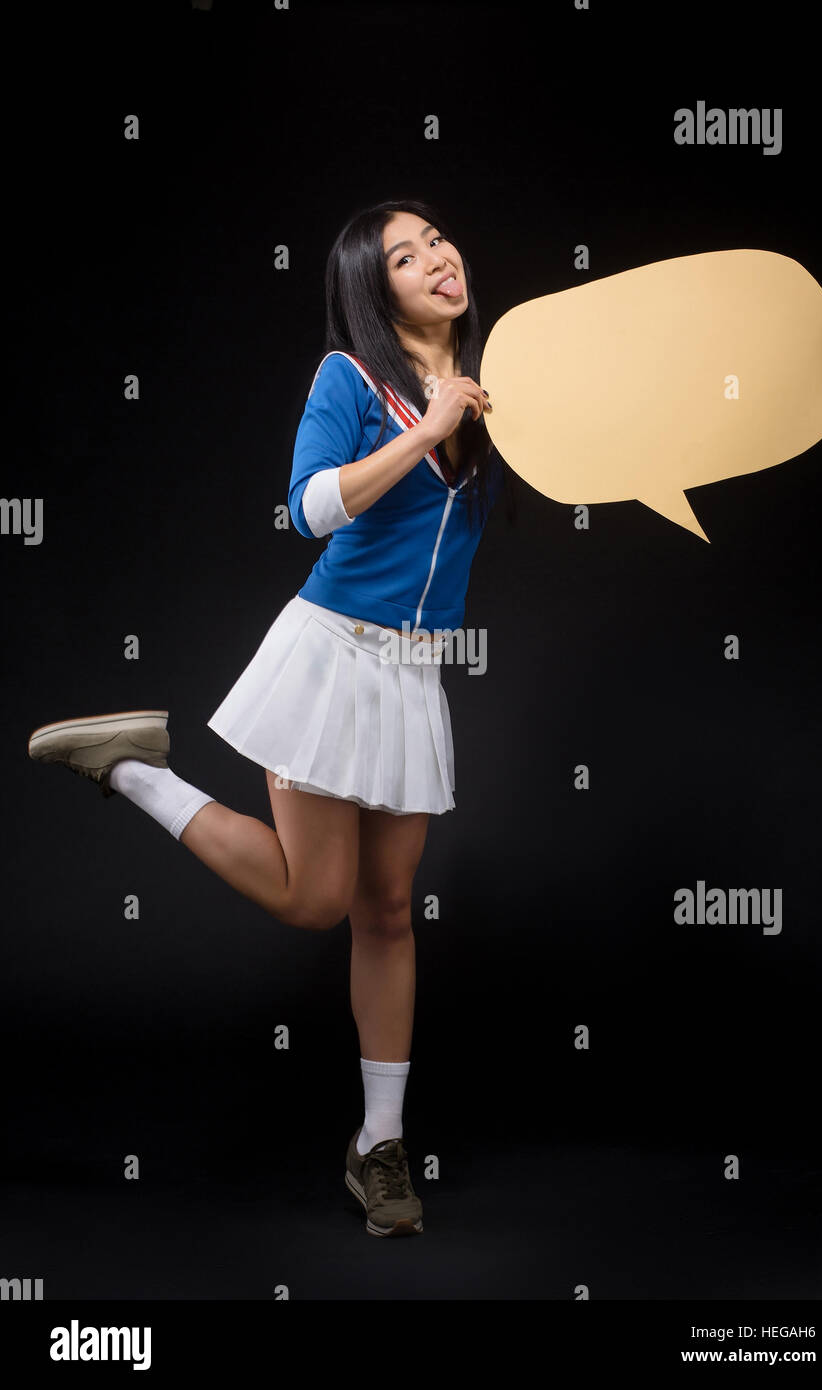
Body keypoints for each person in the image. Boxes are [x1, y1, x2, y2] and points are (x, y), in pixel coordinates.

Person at [27, 199, 518, 1239]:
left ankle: (379, 1144)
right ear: (370, 287)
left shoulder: (498, 383)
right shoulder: (349, 379)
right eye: (404, 253)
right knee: (315, 898)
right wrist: (428, 430)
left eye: (437, 238)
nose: (436, 258)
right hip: (330, 655)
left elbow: (631, 427)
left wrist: (791, 378)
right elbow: (311, 505)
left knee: (388, 909)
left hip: (413, 675)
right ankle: (135, 770)